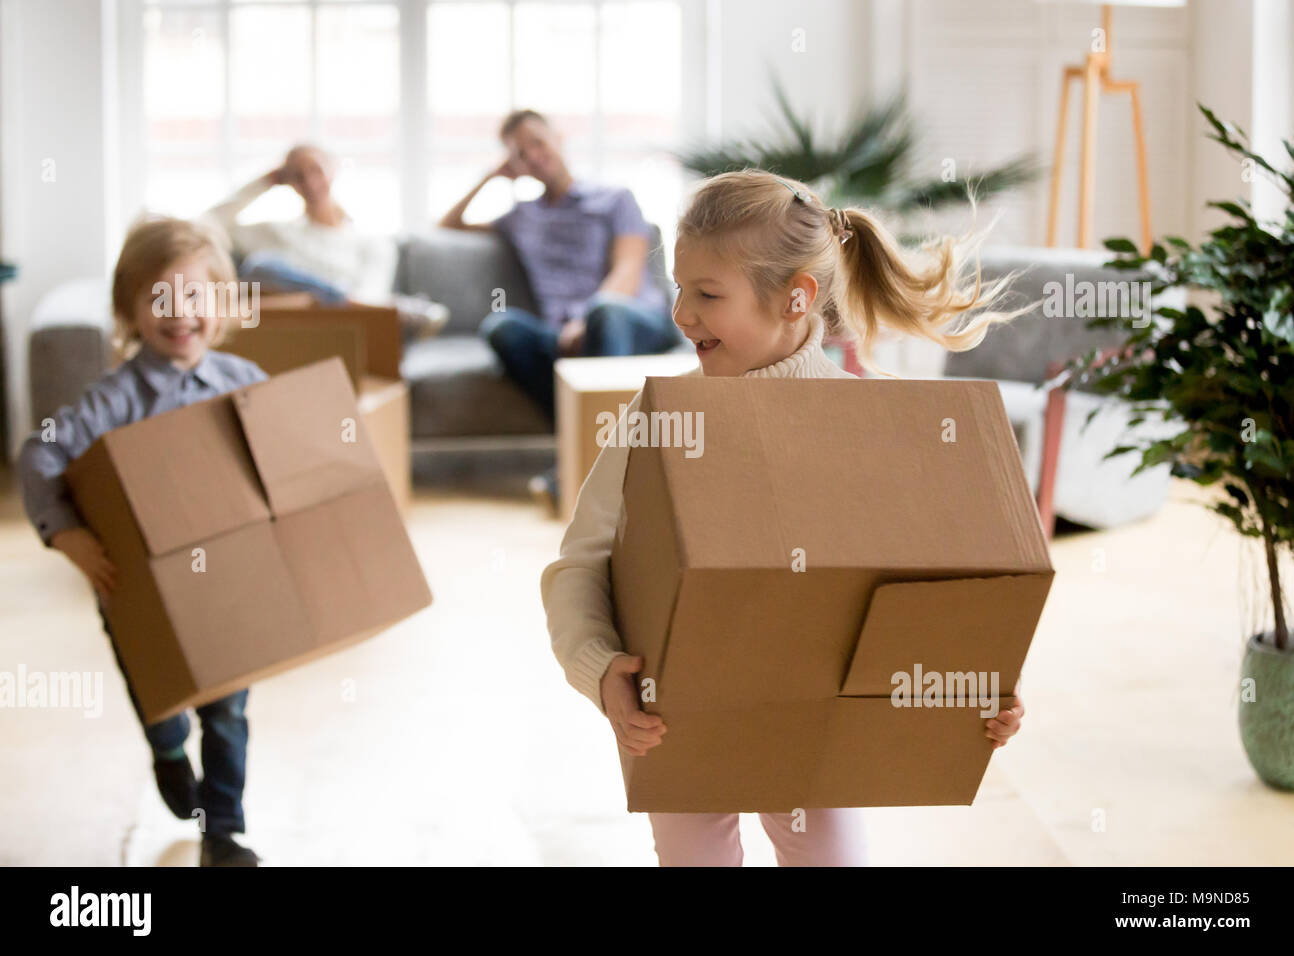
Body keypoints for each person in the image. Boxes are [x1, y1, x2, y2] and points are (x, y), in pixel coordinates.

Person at [540, 169, 1031, 866]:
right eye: (680, 286)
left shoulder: (876, 424)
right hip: (675, 718)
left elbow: (936, 587)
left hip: (820, 720)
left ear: (797, 297)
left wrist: (974, 687)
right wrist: (598, 667)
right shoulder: (655, 422)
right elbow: (578, 566)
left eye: (708, 294)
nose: (681, 314)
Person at [17, 217, 268, 867]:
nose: (180, 314)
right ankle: (163, 747)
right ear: (128, 308)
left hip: (228, 596)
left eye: (195, 296)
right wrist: (65, 533)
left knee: (228, 714)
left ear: (222, 303)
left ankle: (223, 831)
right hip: (138, 599)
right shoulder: (114, 400)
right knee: (163, 703)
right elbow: (40, 454)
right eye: (159, 298)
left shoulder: (246, 384)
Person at [440, 109, 681, 507]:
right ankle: (589, 448)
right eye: (520, 153)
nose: (533, 155)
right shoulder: (521, 217)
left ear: (559, 137)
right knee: (501, 326)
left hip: (632, 320)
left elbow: (627, 270)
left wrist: (586, 317)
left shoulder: (614, 198)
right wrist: (490, 177)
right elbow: (448, 224)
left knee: (606, 313)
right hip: (565, 334)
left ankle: (591, 463)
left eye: (537, 142)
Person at [202, 144, 446, 338]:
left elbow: (371, 302)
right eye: (297, 175)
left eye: (316, 170)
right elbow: (207, 224)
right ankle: (396, 308)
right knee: (261, 265)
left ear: (333, 170)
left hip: (352, 326)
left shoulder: (372, 243)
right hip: (298, 328)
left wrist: (317, 301)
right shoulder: (278, 233)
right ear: (288, 182)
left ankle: (344, 298)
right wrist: (264, 182)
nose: (309, 182)